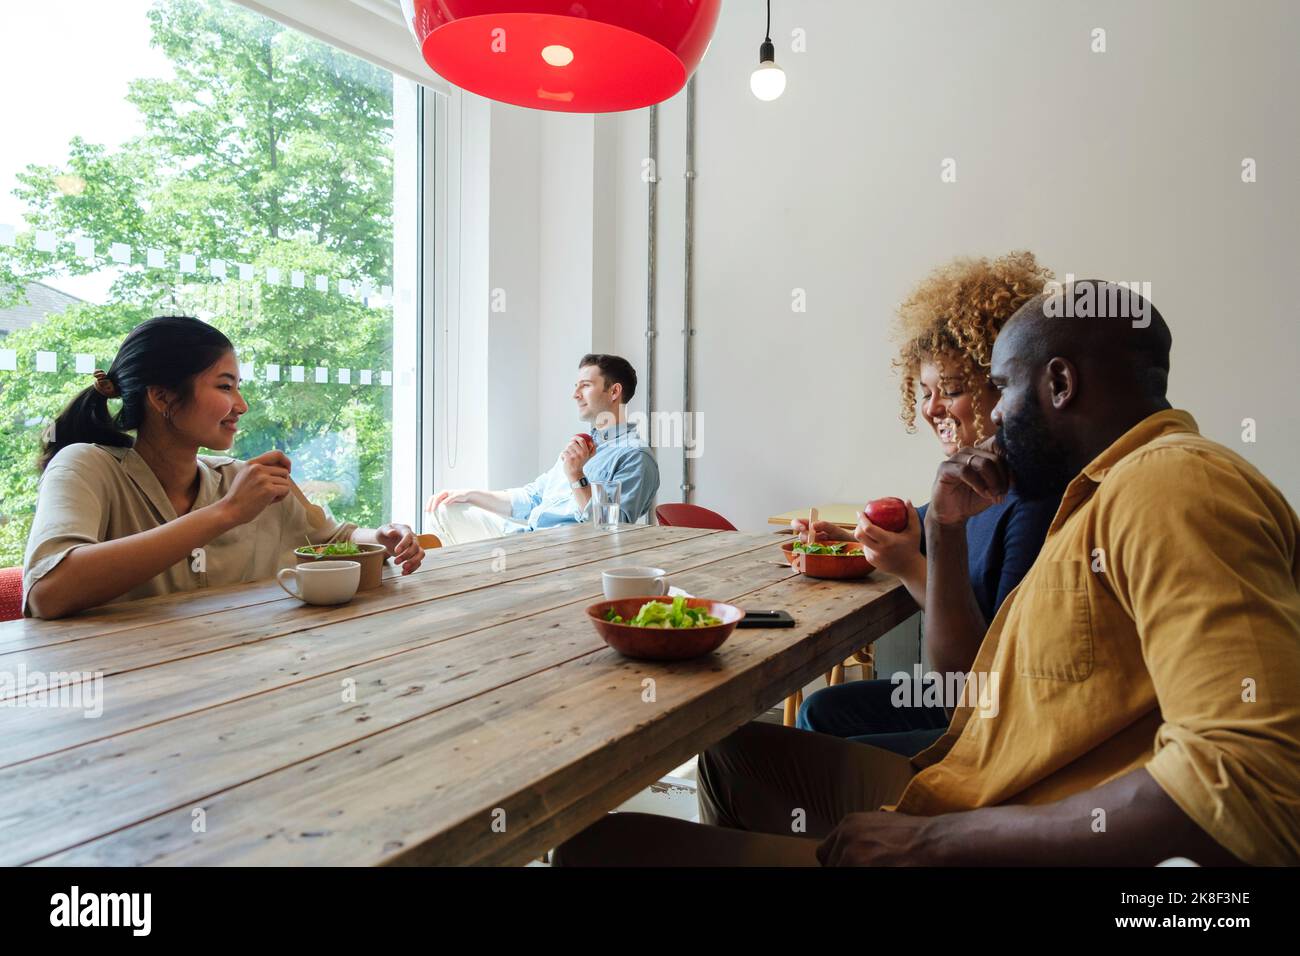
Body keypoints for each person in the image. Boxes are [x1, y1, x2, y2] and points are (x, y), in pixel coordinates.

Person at [554, 280, 1300, 866]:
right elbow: (964, 688)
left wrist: (933, 845)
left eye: (1002, 388)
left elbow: (1249, 783)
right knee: (735, 752)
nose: (994, 414)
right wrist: (941, 531)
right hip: (989, 787)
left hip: (1004, 826)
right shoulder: (1092, 498)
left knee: (605, 848)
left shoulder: (1173, 487)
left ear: (1060, 384)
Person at [791, 252, 1060, 756]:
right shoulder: (976, 482)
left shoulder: (1032, 503)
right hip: (957, 694)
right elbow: (915, 526)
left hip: (994, 723)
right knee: (819, 711)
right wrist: (847, 536)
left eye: (953, 390)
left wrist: (910, 566)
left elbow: (977, 680)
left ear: (1003, 388)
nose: (932, 408)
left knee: (812, 745)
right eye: (926, 391)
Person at [23, 315, 424, 619]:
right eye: (225, 386)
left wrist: (383, 539)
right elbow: (48, 590)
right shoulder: (85, 465)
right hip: (122, 702)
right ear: (162, 397)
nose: (242, 405)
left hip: (234, 689)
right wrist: (227, 513)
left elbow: (333, 539)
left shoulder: (239, 477)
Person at [424, 353, 659, 544]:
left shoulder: (634, 456)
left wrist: (577, 477)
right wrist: (470, 495)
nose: (575, 394)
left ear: (614, 392)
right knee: (443, 509)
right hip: (527, 536)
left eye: (585, 386)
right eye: (576, 386)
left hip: (557, 550)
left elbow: (613, 531)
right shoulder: (582, 447)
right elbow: (532, 497)